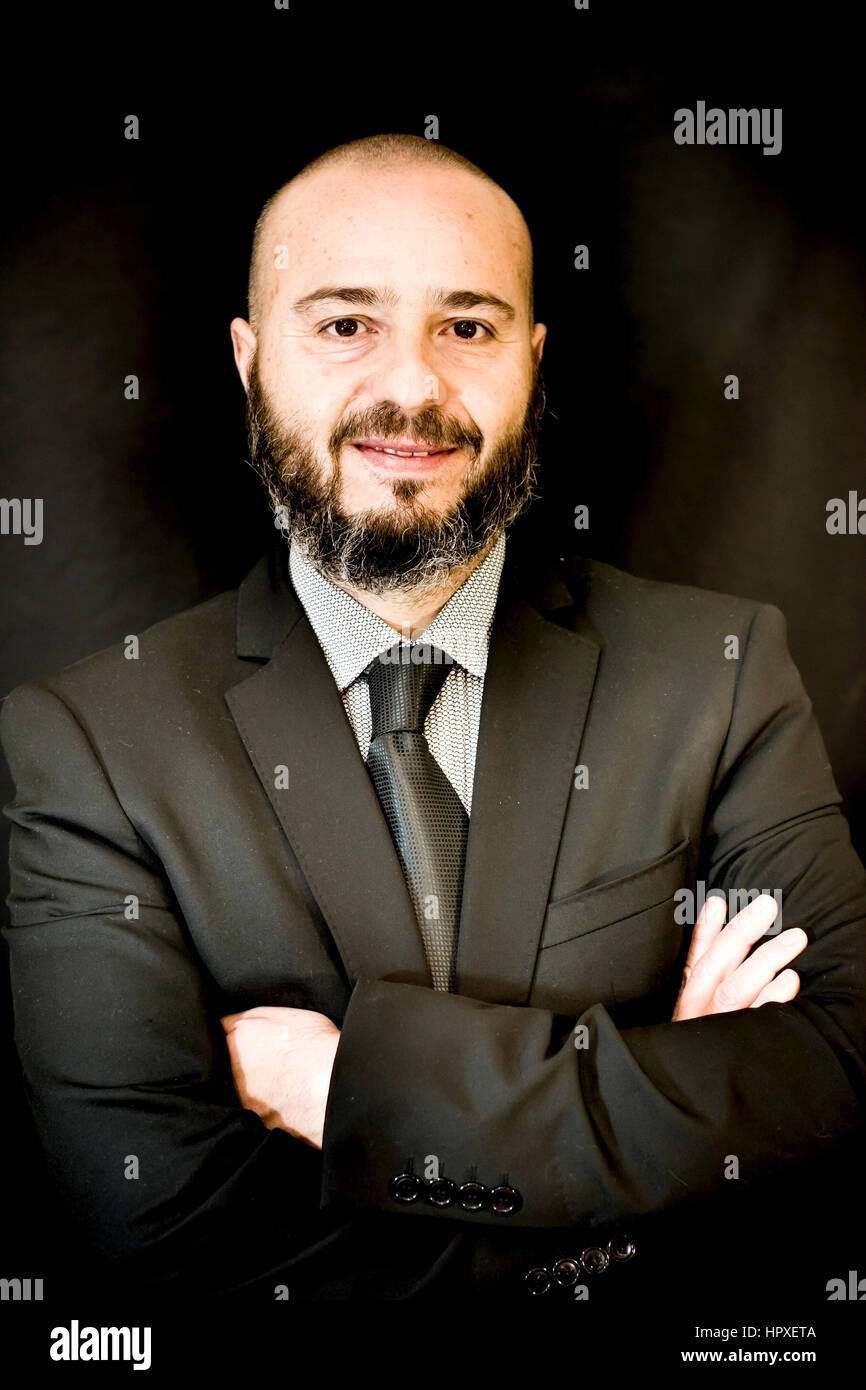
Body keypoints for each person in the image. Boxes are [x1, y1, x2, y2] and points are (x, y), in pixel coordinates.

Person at [2, 132, 864, 1305]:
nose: (410, 387)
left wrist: (359, 1084)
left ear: (532, 359)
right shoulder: (82, 746)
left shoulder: (717, 668)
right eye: (344, 323)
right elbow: (166, 1240)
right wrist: (647, 1130)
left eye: (466, 325)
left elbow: (836, 1079)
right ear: (249, 361)